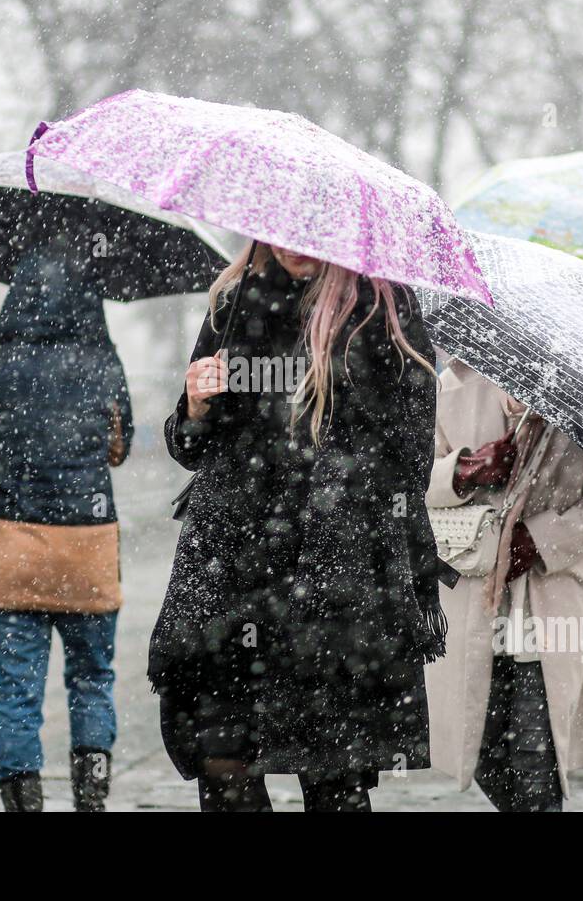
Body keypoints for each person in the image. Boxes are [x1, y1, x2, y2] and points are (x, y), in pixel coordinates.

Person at [148, 240, 454, 812]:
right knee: (224, 761)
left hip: (336, 577)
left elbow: (411, 458)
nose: (297, 248)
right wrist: (195, 406)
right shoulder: (234, 306)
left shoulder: (382, 312)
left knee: (334, 772)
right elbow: (190, 449)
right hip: (231, 567)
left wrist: (333, 435)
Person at [0, 244, 132, 812]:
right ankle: (91, 793)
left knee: (18, 690)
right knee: (93, 677)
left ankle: (24, 800)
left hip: (13, 544)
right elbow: (118, 447)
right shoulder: (103, 364)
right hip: (87, 544)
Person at [425, 365, 583, 811]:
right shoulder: (453, 386)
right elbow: (417, 481)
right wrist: (467, 471)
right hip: (477, 599)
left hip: (554, 599)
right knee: (484, 750)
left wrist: (540, 539)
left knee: (535, 754)